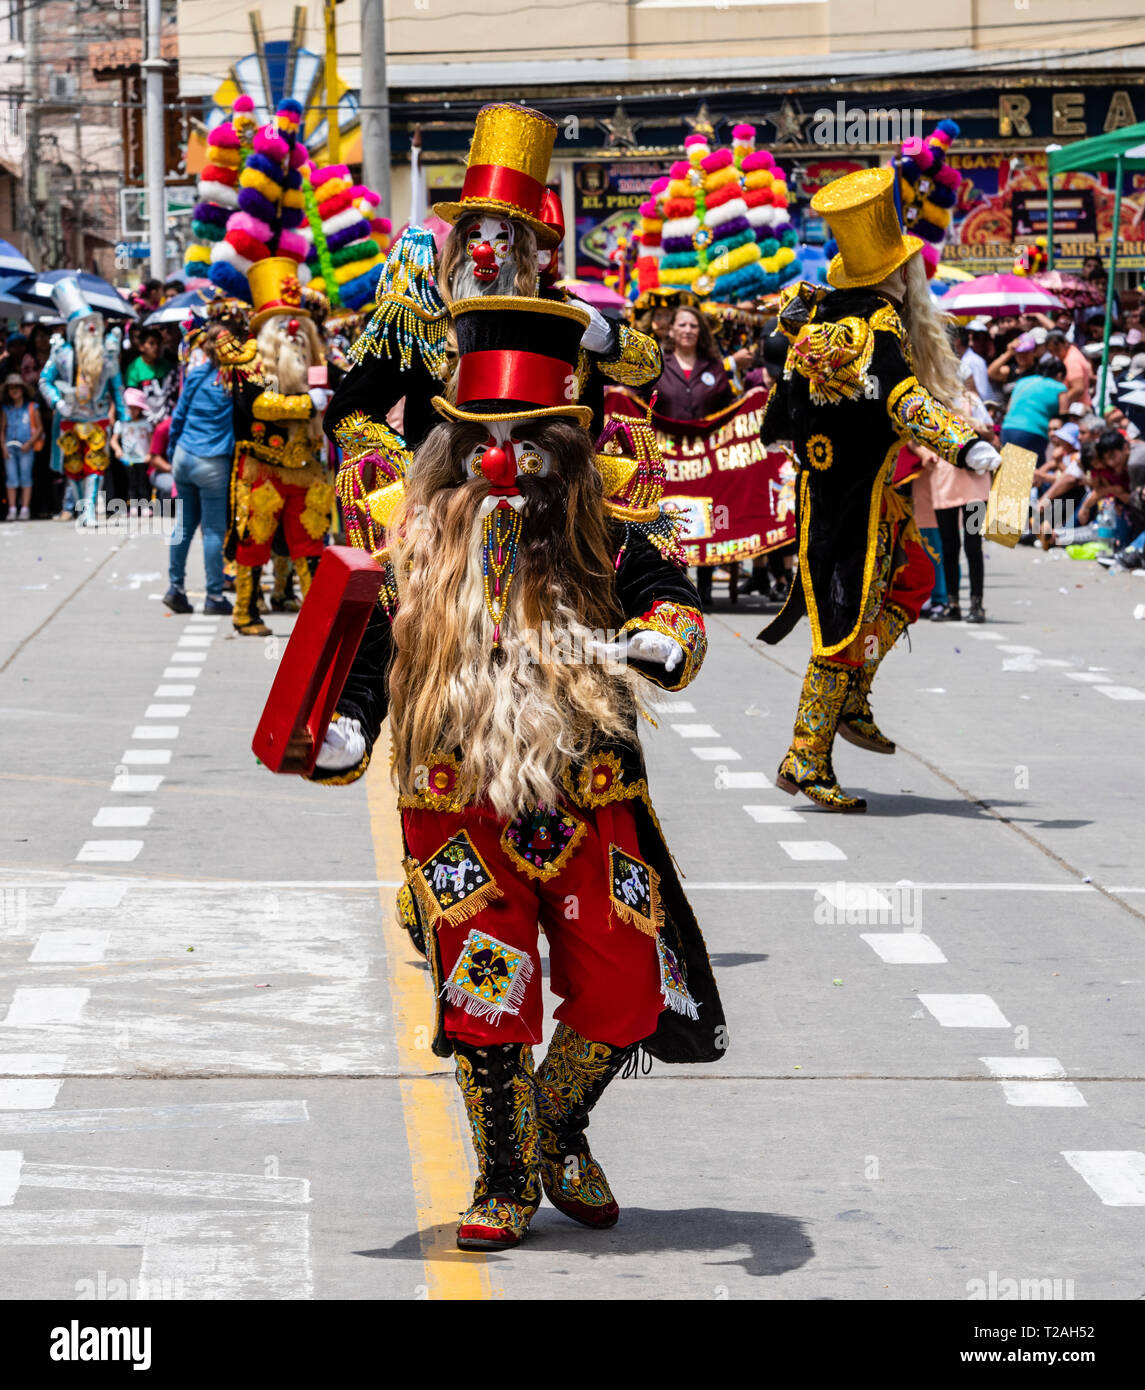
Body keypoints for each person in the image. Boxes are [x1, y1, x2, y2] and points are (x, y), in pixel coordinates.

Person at [302, 294, 723, 1251]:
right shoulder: (413, 541)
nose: (501, 461)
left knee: (626, 988)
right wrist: (346, 730)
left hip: (584, 793)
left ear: (568, 444)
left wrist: (662, 635)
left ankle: (556, 1125)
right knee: (485, 991)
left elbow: (670, 594)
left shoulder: (599, 533)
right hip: (455, 799)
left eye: (527, 439)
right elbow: (366, 648)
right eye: (479, 438)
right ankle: (501, 1175)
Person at [758, 167, 999, 811]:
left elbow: (777, 421)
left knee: (915, 577)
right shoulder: (879, 327)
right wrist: (965, 443)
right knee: (842, 626)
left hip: (852, 493)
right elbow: (901, 399)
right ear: (898, 279)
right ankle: (806, 756)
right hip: (851, 504)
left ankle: (853, 696)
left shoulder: (808, 325)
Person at [324, 103, 661, 523]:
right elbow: (347, 413)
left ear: (526, 250)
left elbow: (647, 369)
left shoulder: (563, 315)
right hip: (449, 518)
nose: (483, 248)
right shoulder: (420, 323)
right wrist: (416, 467)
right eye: (472, 233)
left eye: (501, 236)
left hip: (553, 518)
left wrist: (605, 336)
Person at [227, 258, 334, 634]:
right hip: (262, 468)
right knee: (254, 542)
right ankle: (245, 612)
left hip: (306, 468)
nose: (293, 332)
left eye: (299, 325)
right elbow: (255, 406)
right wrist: (307, 405)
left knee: (311, 544)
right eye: (284, 325)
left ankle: (317, 615)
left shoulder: (316, 363)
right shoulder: (249, 365)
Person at [38, 278, 126, 525]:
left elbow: (117, 388)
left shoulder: (107, 356)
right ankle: (80, 510)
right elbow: (45, 381)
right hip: (70, 417)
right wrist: (57, 402)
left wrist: (123, 418)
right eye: (85, 325)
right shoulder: (61, 354)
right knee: (74, 467)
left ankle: (88, 511)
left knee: (95, 465)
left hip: (96, 418)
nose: (91, 330)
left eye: (94, 325)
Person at [163, 322, 235, 615]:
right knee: (214, 530)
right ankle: (214, 596)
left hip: (184, 456)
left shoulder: (194, 375)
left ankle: (175, 588)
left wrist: (172, 452)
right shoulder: (235, 380)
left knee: (183, 525)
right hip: (214, 461)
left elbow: (177, 417)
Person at [649, 304, 739, 419]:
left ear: (700, 331)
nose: (688, 330)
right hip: (664, 436)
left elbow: (729, 405)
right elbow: (638, 399)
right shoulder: (655, 366)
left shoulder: (715, 366)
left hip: (706, 436)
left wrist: (749, 399)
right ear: (671, 330)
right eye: (682, 325)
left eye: (693, 326)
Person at [1000, 356, 1070, 464]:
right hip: (1032, 434)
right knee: (1032, 476)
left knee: (1011, 475)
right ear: (1060, 375)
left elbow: (1009, 408)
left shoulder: (1023, 382)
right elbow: (1064, 416)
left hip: (1008, 430)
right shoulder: (1060, 387)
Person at [1, 373, 44, 520]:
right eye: (11, 388)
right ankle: (12, 509)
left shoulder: (32, 407)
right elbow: (2, 429)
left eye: (17, 388)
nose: (14, 390)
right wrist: (3, 447)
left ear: (22, 389)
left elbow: (39, 428)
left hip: (26, 446)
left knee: (26, 478)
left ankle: (25, 508)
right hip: (9, 445)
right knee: (11, 479)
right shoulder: (6, 408)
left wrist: (30, 443)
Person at [111, 387, 155, 511]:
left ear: (140, 408)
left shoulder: (146, 423)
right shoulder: (121, 424)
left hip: (143, 458)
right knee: (131, 483)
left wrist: (150, 454)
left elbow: (151, 439)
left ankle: (146, 505)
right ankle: (134, 506)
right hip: (128, 459)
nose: (132, 411)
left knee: (144, 482)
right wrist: (118, 450)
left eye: (135, 408)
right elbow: (113, 440)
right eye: (130, 407)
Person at [123, 326, 177, 425]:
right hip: (144, 421)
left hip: (165, 419)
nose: (156, 347)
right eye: (151, 343)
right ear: (141, 347)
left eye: (158, 343)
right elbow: (132, 399)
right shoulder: (134, 369)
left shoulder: (167, 366)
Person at [1045, 329, 1093, 410]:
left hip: (1077, 410)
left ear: (1065, 343)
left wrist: (1058, 404)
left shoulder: (1071, 360)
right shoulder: (1070, 353)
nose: (1054, 354)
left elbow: (1078, 389)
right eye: (1051, 351)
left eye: (1057, 349)